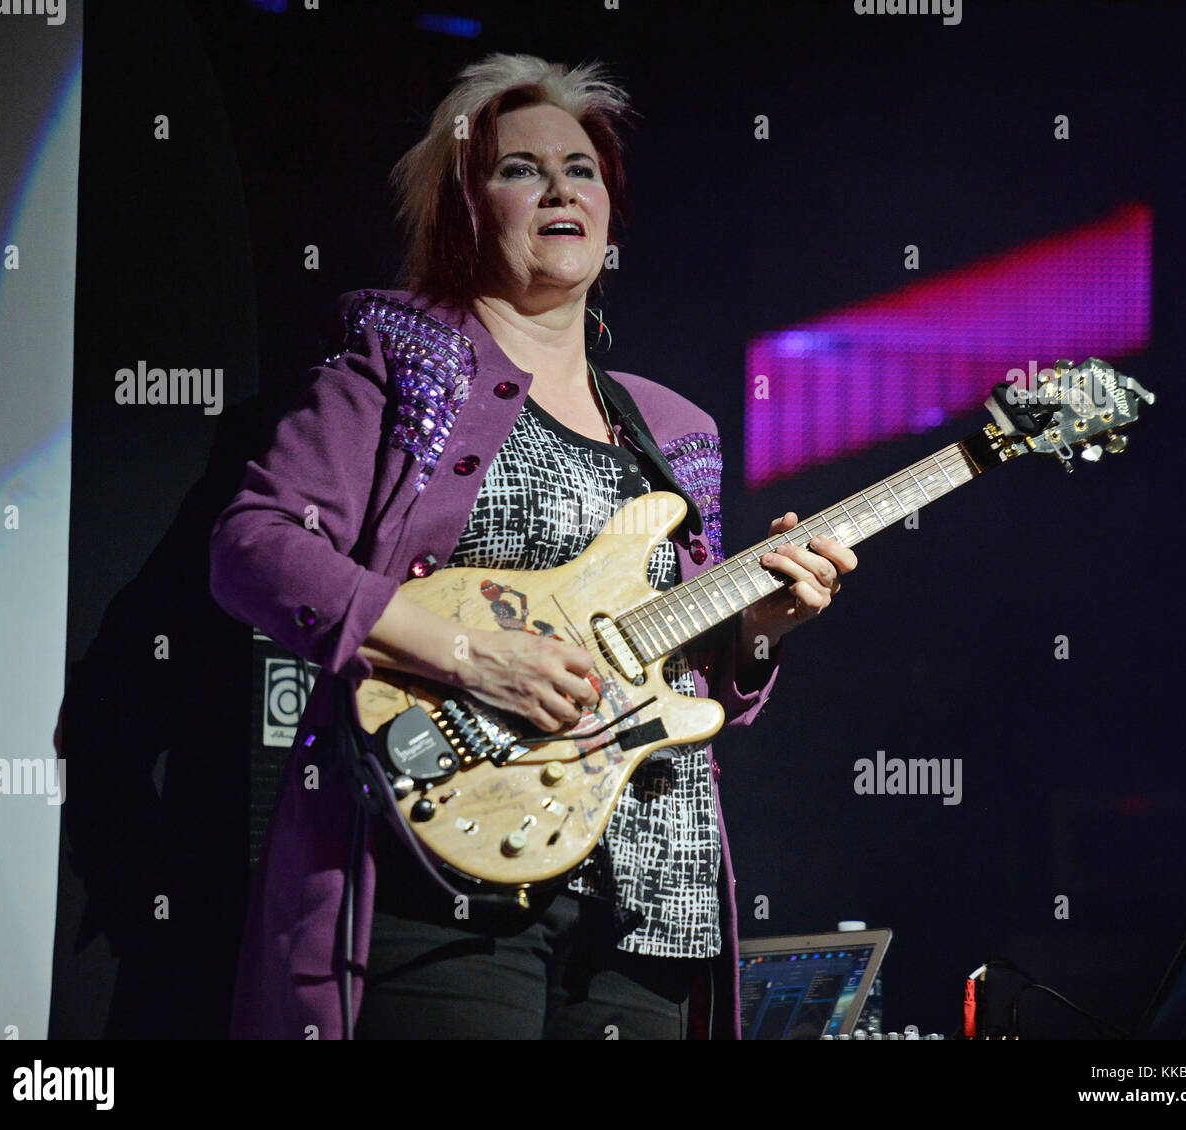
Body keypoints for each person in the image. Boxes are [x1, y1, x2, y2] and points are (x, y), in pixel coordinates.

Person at [210, 52, 857, 1041]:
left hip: (651, 898)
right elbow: (254, 547)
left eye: (582, 169)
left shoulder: (675, 426)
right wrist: (476, 655)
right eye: (521, 168)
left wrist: (760, 630)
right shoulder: (397, 356)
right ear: (465, 210)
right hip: (450, 872)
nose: (560, 188)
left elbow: (698, 684)